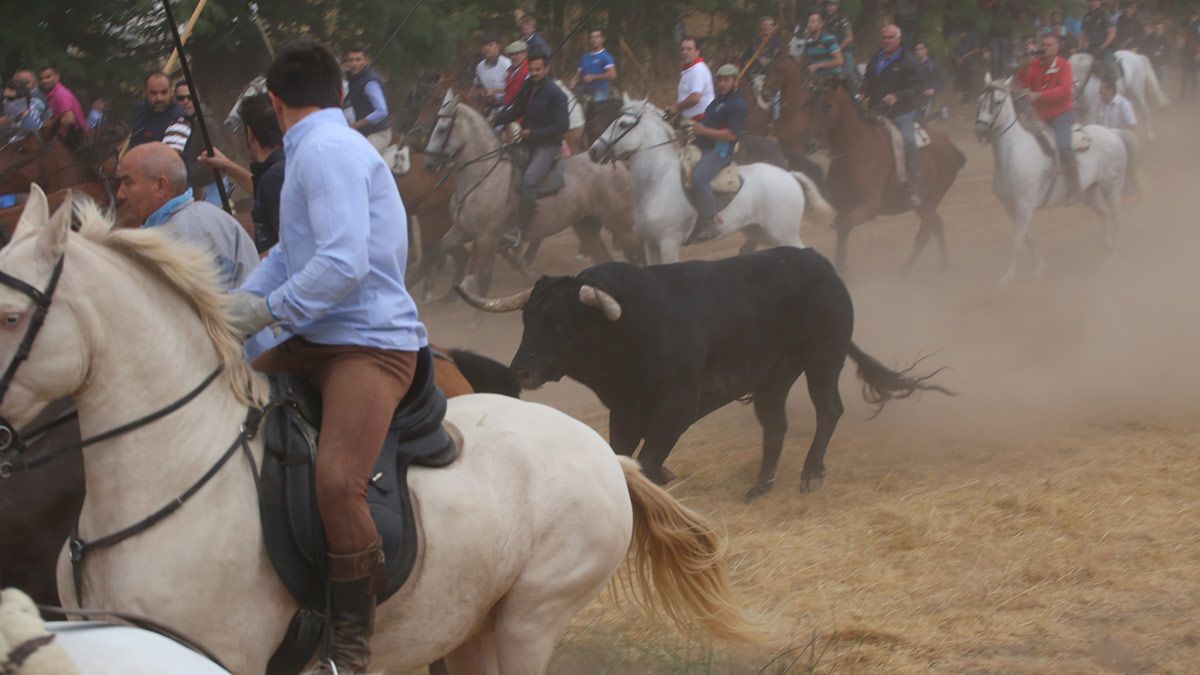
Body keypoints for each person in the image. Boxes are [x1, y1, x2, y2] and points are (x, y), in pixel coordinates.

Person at [226, 39, 427, 674]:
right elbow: (290, 253)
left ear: (277, 103)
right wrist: (231, 307)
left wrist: (266, 310)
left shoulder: (327, 151)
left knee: (338, 482)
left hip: (369, 344)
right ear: (340, 95)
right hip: (315, 338)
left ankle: (350, 642)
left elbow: (342, 262)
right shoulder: (312, 149)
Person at [114, 142, 257, 289]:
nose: (120, 194)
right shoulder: (201, 215)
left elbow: (211, 306)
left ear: (160, 186)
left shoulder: (181, 237)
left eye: (128, 182)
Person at [493, 54, 569, 247]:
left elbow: (561, 126)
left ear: (546, 70)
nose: (534, 73)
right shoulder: (528, 87)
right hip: (526, 142)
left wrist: (532, 134)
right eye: (531, 70)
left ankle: (519, 229)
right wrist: (496, 119)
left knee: (529, 181)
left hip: (548, 146)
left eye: (538, 70)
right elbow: (516, 111)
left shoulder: (556, 94)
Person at [198, 93, 285, 253]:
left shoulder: (274, 178)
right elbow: (261, 191)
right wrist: (226, 165)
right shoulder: (278, 171)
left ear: (249, 134)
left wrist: (254, 269)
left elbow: (288, 246)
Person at [860, 24, 924, 207]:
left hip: (900, 112)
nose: (886, 41)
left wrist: (897, 97)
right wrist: (862, 92)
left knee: (908, 141)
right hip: (875, 111)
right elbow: (868, 80)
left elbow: (917, 87)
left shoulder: (908, 61)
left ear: (899, 39)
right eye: (883, 37)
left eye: (890, 38)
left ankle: (913, 187)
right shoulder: (875, 59)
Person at [685, 64, 749, 244]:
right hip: (701, 145)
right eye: (720, 79)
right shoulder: (716, 101)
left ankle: (710, 221)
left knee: (699, 178)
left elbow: (731, 135)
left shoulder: (738, 105)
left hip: (719, 151)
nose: (722, 83)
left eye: (726, 80)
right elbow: (706, 125)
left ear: (736, 81)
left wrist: (703, 131)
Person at [1016, 33, 1081, 203]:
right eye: (1043, 44)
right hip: (1042, 116)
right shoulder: (1035, 65)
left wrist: (1040, 95)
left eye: (1049, 44)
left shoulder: (1063, 65)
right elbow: (1024, 86)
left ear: (1057, 47)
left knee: (1064, 146)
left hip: (1062, 113)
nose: (1045, 47)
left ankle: (1076, 187)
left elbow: (1065, 91)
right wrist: (1024, 67)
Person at [162, 80, 229, 206]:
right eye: (181, 98)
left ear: (197, 98)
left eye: (190, 97)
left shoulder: (207, 123)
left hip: (212, 185)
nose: (186, 101)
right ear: (175, 101)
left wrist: (182, 174)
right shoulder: (177, 122)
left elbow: (216, 158)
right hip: (191, 187)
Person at [344, 44, 391, 153]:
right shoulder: (354, 78)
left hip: (378, 133)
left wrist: (356, 124)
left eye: (358, 60)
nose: (354, 64)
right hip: (362, 131)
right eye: (351, 60)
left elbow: (382, 111)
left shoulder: (370, 83)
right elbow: (358, 98)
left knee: (360, 156)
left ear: (366, 60)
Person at [130, 72, 183, 148]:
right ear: (144, 93)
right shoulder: (139, 110)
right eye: (153, 93)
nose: (159, 98)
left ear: (171, 93)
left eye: (164, 93)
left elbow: (169, 156)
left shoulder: (179, 119)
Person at [668, 37, 714, 121]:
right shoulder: (690, 69)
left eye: (689, 49)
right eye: (682, 49)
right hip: (692, 120)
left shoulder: (697, 70)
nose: (685, 52)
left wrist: (676, 107)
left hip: (701, 121)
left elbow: (695, 98)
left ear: (697, 52)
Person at [570, 29, 617, 102]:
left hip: (600, 91)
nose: (594, 40)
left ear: (602, 39)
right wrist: (572, 84)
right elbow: (577, 75)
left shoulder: (606, 56)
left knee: (594, 109)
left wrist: (593, 77)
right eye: (592, 37)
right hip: (585, 91)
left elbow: (612, 75)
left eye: (597, 37)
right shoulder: (584, 58)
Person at [822, 1, 859, 92]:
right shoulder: (823, 20)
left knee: (848, 75)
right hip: (828, 54)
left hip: (844, 52)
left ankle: (856, 98)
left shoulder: (842, 19)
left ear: (837, 7)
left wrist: (837, 49)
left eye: (832, 5)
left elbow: (849, 37)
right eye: (828, 5)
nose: (830, 8)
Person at [37, 66, 85, 132]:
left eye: (48, 77)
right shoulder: (51, 93)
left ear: (57, 77)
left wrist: (46, 125)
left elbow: (69, 119)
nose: (44, 81)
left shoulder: (60, 94)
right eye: (42, 79)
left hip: (75, 138)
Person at [471, 33, 511, 110]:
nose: (487, 48)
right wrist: (481, 92)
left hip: (506, 107)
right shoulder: (480, 66)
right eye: (484, 46)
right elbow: (476, 86)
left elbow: (516, 88)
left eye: (490, 45)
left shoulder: (507, 64)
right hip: (487, 107)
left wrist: (496, 91)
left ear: (498, 47)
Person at [1080, 0, 1118, 80]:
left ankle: (1115, 86)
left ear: (1099, 2)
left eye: (1095, 1)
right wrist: (1080, 48)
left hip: (1104, 47)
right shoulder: (1087, 16)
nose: (1092, 3)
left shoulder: (1105, 14)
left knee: (1110, 65)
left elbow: (1112, 33)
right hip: (1091, 47)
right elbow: (1082, 34)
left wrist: (1102, 47)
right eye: (1090, 1)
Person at [801, 13, 845, 80]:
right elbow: (804, 60)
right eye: (808, 23)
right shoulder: (808, 42)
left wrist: (818, 66)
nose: (809, 25)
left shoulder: (829, 39)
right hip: (815, 78)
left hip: (833, 77)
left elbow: (839, 61)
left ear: (821, 24)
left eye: (812, 22)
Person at [914, 41, 945, 122]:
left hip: (928, 96)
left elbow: (941, 79)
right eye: (917, 49)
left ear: (926, 50)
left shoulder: (933, 64)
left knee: (922, 119)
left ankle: (939, 113)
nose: (918, 51)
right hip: (916, 95)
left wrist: (933, 89)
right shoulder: (914, 65)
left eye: (921, 49)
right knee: (914, 118)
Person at [951, 23, 982, 104]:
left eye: (963, 34)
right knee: (959, 76)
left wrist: (966, 55)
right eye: (960, 34)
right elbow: (950, 50)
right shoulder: (956, 38)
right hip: (958, 59)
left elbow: (977, 49)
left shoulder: (972, 37)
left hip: (968, 59)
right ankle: (959, 91)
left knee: (967, 78)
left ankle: (966, 96)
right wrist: (956, 58)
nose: (961, 35)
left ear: (966, 32)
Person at [502, 40, 530, 107]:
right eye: (511, 55)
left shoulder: (529, 70)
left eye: (516, 54)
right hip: (508, 110)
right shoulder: (509, 71)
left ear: (525, 53)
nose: (513, 57)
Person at [1140, 20, 1169, 85]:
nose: (1159, 30)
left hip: (1162, 67)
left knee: (1162, 86)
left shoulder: (1166, 40)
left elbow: (1168, 53)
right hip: (1152, 67)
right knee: (1152, 86)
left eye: (1160, 28)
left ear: (1163, 29)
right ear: (1154, 29)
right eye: (1157, 28)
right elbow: (1145, 51)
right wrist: (1153, 54)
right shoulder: (1148, 39)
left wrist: (1164, 63)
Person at [1184, 8, 1200, 101]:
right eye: (1191, 16)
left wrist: (1198, 52)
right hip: (1187, 54)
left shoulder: (1198, 26)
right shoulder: (1189, 24)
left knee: (1193, 75)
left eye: (1193, 16)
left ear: (1196, 16)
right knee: (1185, 74)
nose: (1191, 17)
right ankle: (1185, 95)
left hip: (1195, 53)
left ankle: (1192, 95)